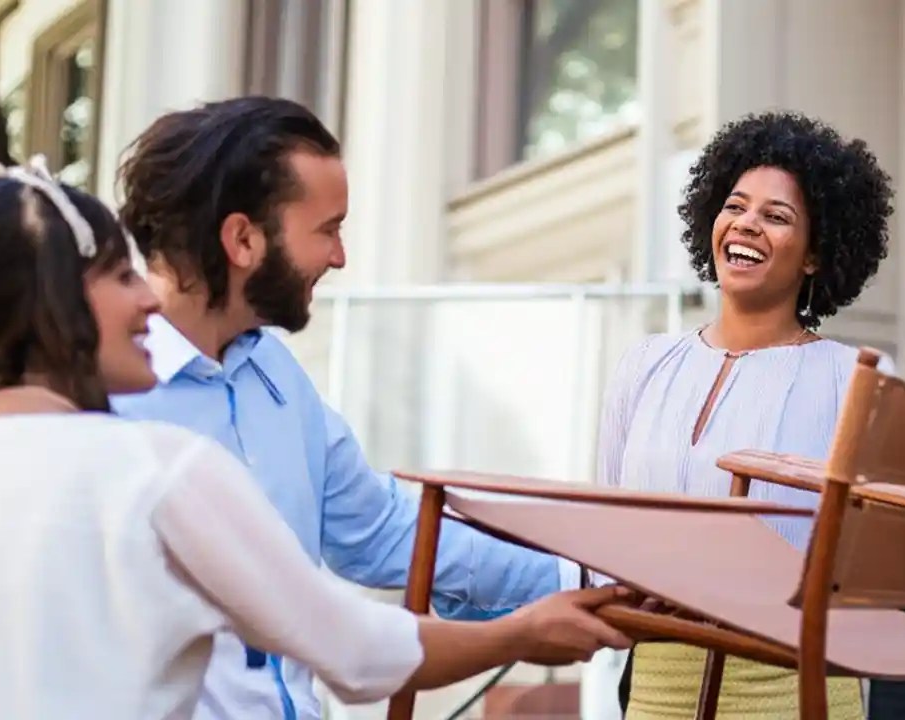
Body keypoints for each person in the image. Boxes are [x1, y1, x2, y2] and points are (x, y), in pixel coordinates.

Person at [0, 157, 632, 720]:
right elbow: (355, 650)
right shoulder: (159, 469)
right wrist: (520, 634)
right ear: (57, 297)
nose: (147, 297)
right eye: (121, 275)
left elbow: (381, 528)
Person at [109, 96, 583, 718]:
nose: (339, 257)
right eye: (328, 230)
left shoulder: (275, 372)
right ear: (242, 239)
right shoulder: (104, 406)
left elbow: (381, 528)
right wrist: (520, 631)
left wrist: (579, 579)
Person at [595, 111, 895, 719]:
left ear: (815, 255)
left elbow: (873, 561)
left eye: (777, 216)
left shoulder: (857, 378)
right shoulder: (644, 364)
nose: (747, 223)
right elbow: (608, 530)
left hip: (792, 682)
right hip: (657, 684)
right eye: (735, 206)